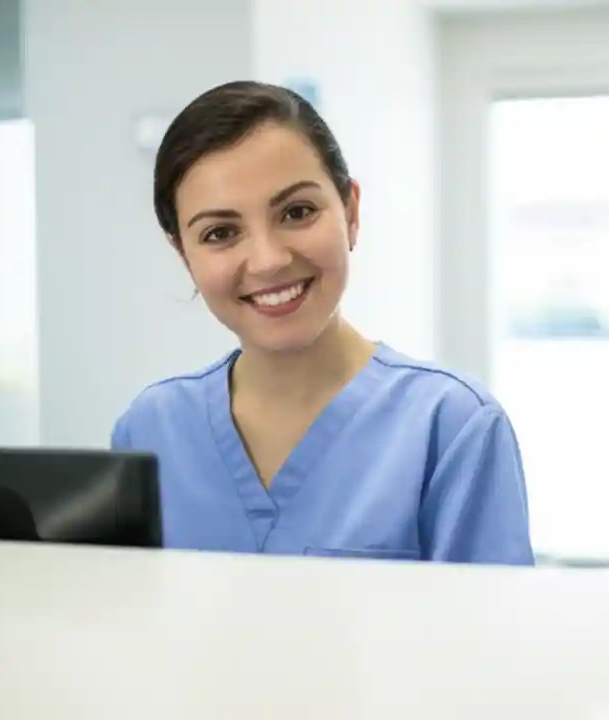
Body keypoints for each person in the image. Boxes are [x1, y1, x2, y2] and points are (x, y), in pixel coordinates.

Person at [111, 81, 533, 565]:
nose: (268, 260)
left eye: (297, 211)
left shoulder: (452, 427)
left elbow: (488, 636)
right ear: (184, 254)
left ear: (351, 212)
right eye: (221, 233)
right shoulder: (149, 430)